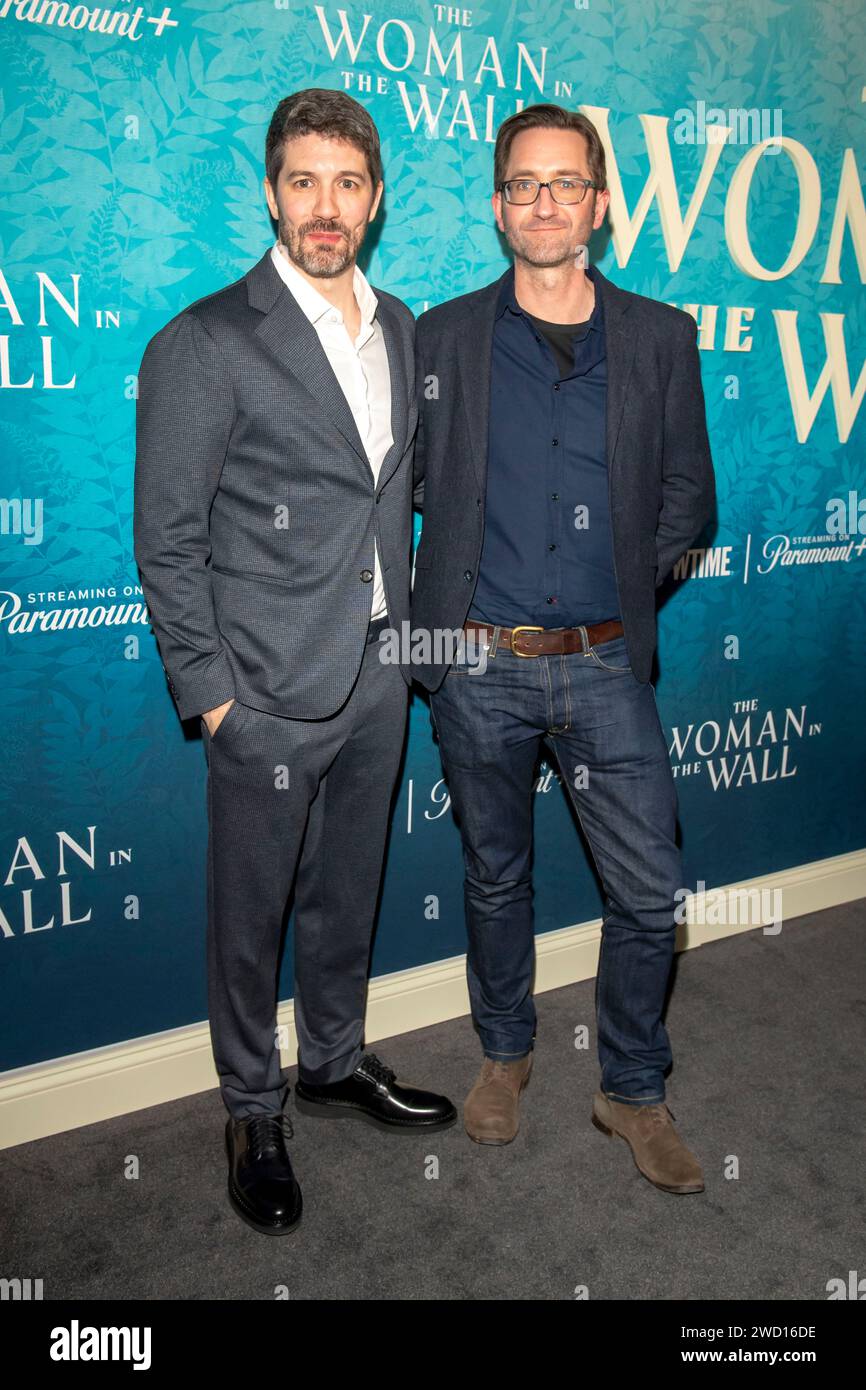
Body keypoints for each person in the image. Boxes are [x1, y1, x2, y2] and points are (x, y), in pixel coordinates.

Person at [134, 88, 456, 1238]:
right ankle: (250, 1106)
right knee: (248, 916)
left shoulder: (402, 325)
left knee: (344, 897)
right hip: (263, 692)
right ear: (271, 193)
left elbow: (395, 496)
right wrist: (214, 700)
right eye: (304, 181)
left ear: (374, 199)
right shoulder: (206, 340)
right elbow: (166, 541)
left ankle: (329, 1062)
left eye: (349, 183)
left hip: (378, 675)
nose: (327, 208)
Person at [410, 103, 715, 1194]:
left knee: (647, 895)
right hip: (475, 664)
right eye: (522, 183)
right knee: (495, 878)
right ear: (498, 206)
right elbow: (391, 494)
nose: (544, 201)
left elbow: (688, 497)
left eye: (564, 182)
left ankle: (629, 1085)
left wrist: (613, 588)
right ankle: (504, 1054)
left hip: (601, 662)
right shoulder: (438, 337)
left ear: (597, 203)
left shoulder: (658, 338)